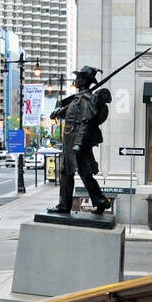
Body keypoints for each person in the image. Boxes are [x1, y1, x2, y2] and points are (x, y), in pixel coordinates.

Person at [47, 66, 110, 216]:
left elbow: (86, 123)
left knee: (76, 173)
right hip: (70, 140)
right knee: (77, 173)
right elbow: (69, 114)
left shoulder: (87, 99)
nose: (76, 79)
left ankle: (65, 205)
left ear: (83, 80)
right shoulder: (78, 98)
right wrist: (58, 112)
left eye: (79, 76)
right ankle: (99, 202)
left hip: (76, 142)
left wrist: (78, 144)